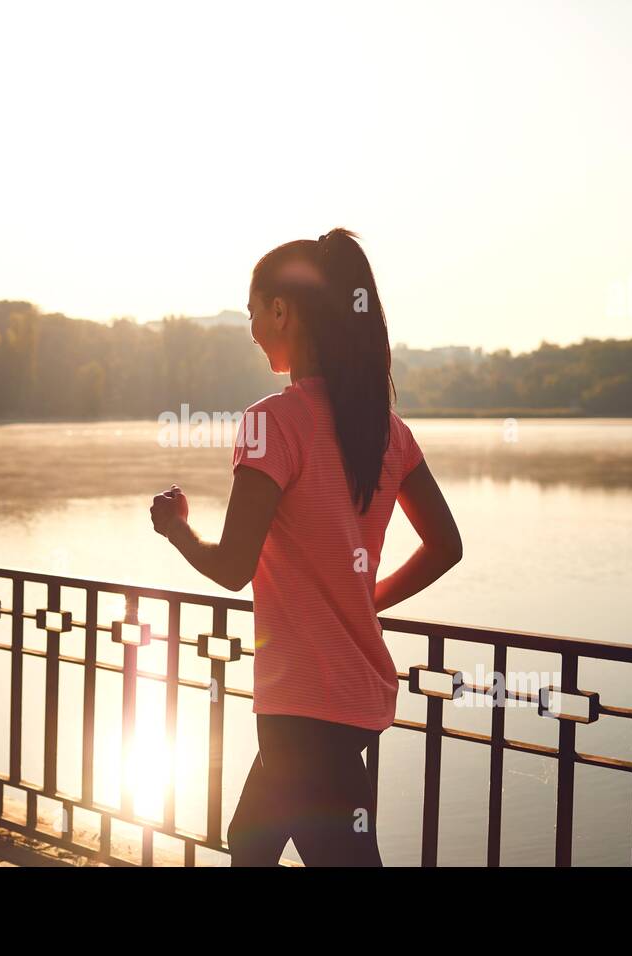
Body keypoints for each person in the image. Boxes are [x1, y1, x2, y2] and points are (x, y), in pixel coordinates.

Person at [148, 228, 463, 866]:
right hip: (347, 691)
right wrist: (366, 600)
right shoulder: (386, 430)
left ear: (283, 310)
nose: (254, 330)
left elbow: (234, 567)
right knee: (251, 843)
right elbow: (445, 545)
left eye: (254, 313)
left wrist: (176, 528)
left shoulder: (272, 421)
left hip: (302, 700)